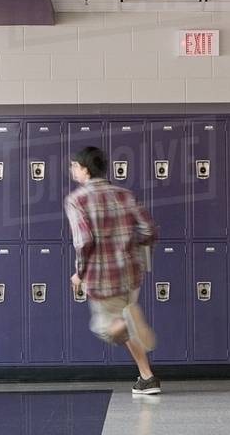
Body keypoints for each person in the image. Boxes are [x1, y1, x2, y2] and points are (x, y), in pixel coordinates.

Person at [65, 146, 161, 395]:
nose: (72, 170)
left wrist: (79, 274)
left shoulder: (77, 200)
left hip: (102, 278)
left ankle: (125, 324)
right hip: (131, 274)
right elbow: (149, 230)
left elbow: (84, 242)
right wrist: (131, 247)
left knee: (105, 327)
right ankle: (147, 377)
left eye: (74, 165)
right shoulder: (125, 195)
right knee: (123, 319)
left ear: (84, 169)